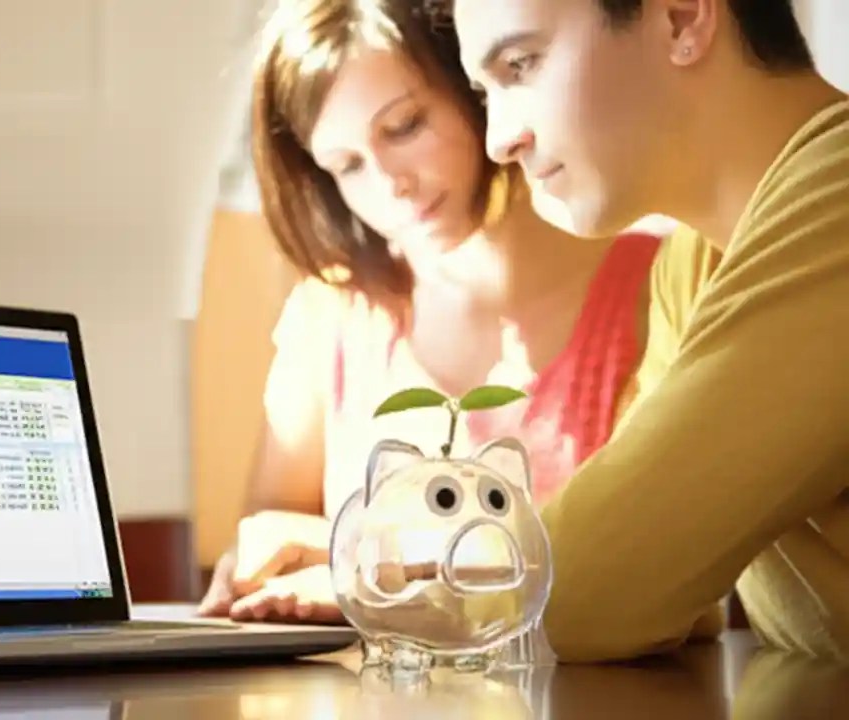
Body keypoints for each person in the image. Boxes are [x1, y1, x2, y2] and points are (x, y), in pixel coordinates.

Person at [197, 0, 673, 624]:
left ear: (471, 84)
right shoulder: (331, 312)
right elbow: (271, 541)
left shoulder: (657, 284)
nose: (390, 183)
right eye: (347, 165)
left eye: (405, 126)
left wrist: (384, 563)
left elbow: (664, 569)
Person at [446, 0, 849, 660]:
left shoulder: (839, 201)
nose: (498, 140)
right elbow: (659, 573)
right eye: (485, 92)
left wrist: (402, 586)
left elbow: (580, 592)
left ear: (682, 19)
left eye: (522, 65)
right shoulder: (690, 267)